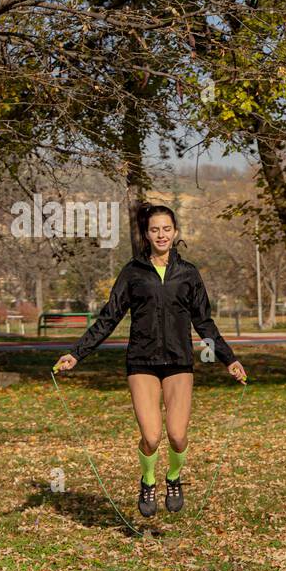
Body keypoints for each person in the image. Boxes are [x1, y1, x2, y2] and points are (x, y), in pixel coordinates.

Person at [53, 204, 246, 517]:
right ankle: (148, 479)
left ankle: (173, 477)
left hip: (179, 362)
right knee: (152, 437)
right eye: (155, 229)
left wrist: (229, 359)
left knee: (178, 436)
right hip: (142, 361)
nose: (161, 234)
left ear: (175, 233)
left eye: (166, 229)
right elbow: (109, 318)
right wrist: (77, 353)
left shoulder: (188, 274)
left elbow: (204, 323)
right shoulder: (133, 272)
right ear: (146, 234)